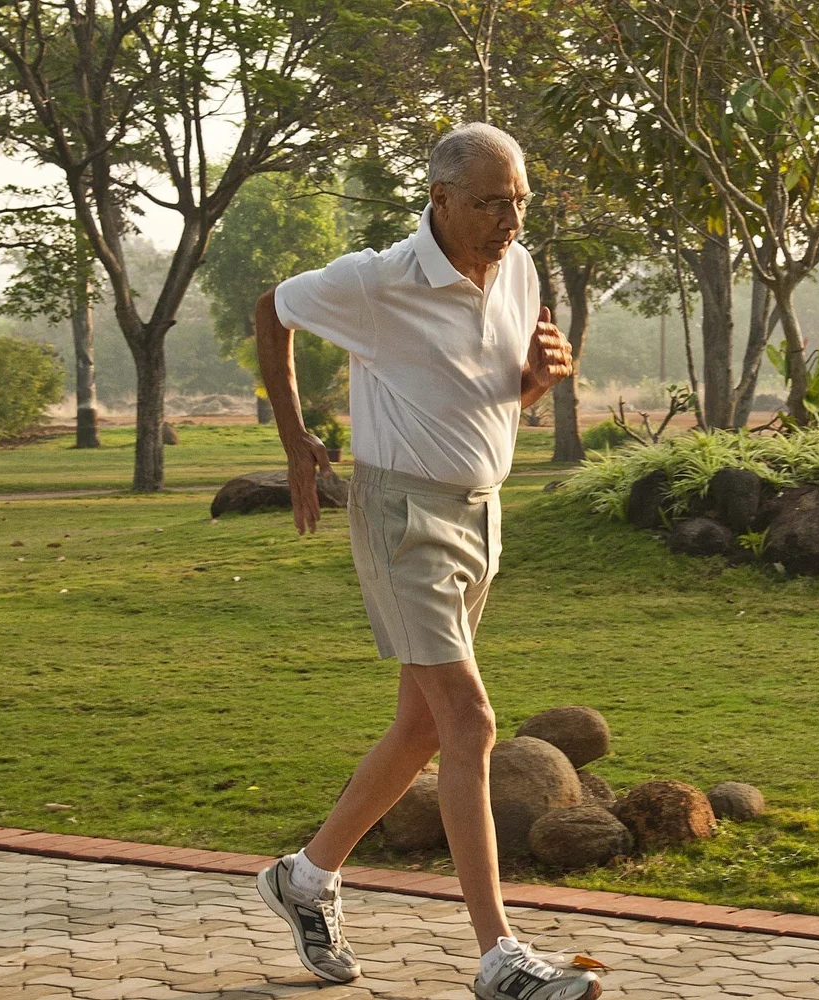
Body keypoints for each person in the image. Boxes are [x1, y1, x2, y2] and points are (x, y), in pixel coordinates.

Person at [253, 122, 602, 1000]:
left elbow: (490, 401)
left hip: (482, 516)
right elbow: (272, 309)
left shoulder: (518, 270)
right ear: (440, 199)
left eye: (520, 202)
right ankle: (498, 957)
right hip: (402, 516)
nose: (509, 222)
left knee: (420, 729)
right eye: (489, 204)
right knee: (471, 723)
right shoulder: (377, 281)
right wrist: (296, 441)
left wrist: (539, 381)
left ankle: (305, 877)